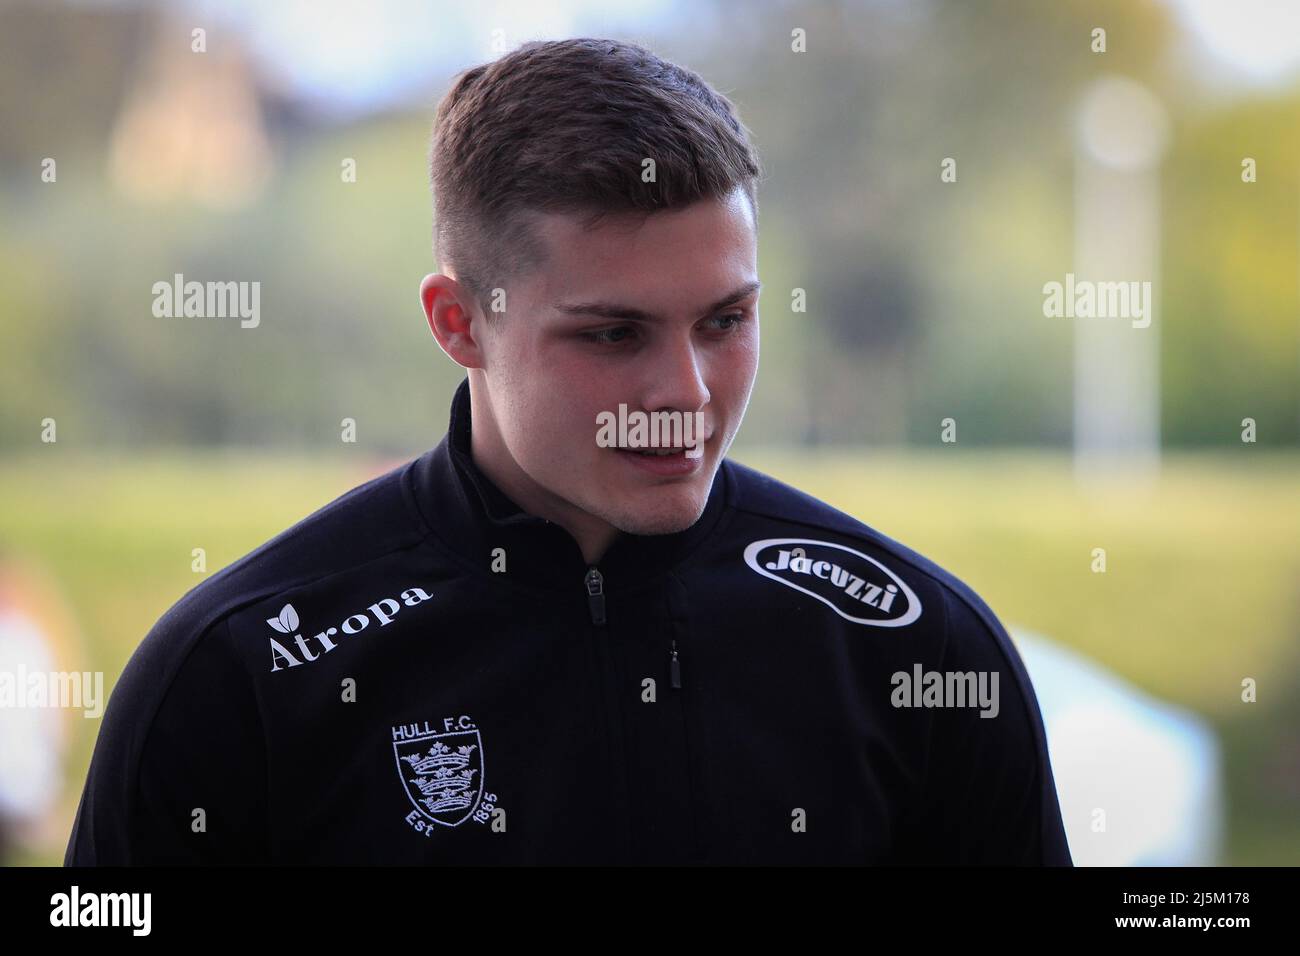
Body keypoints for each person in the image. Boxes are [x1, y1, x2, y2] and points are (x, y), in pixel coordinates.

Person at [65, 37, 1072, 865]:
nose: (684, 391)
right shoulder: (238, 671)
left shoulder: (913, 646)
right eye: (611, 334)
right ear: (459, 322)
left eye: (726, 320)